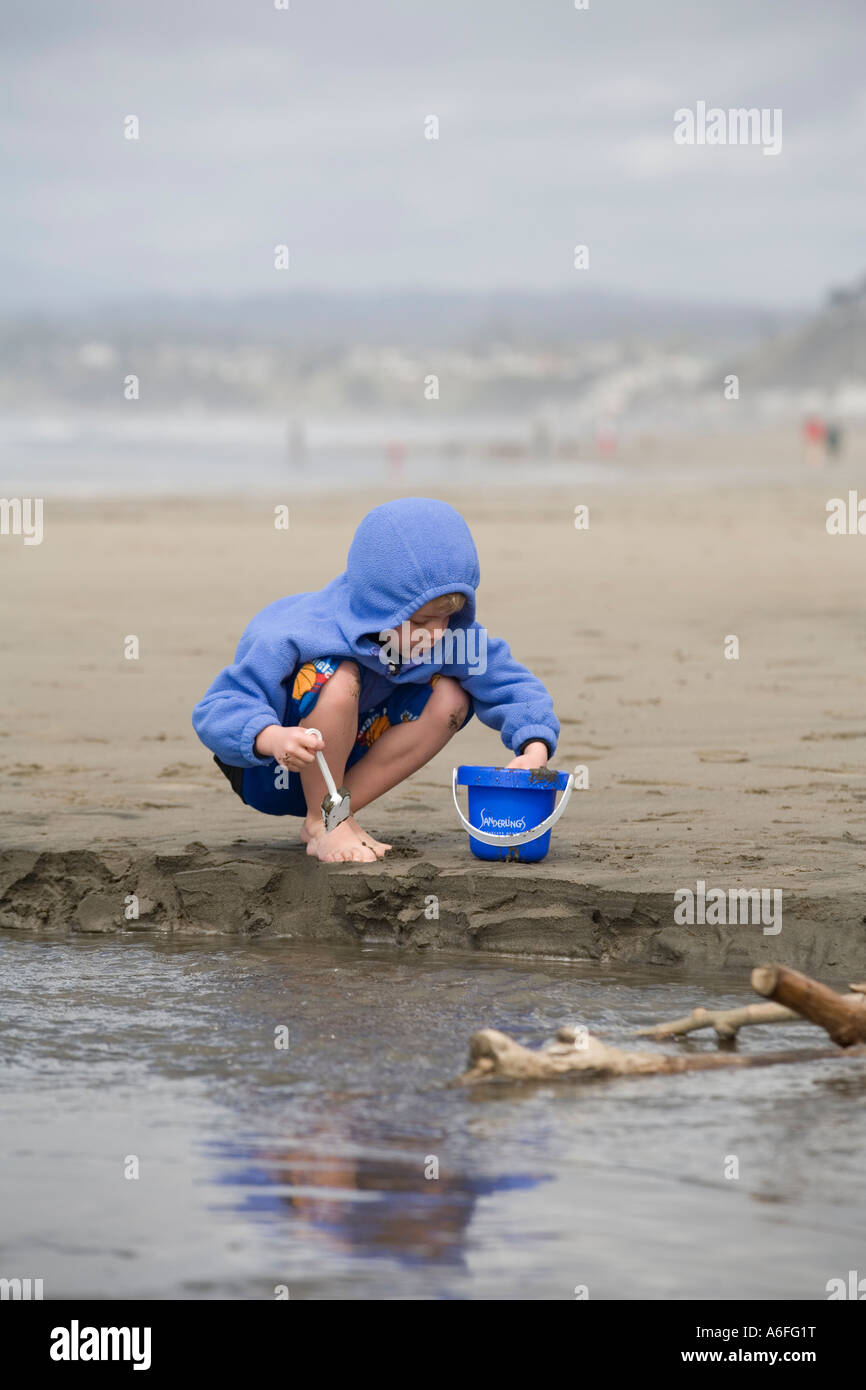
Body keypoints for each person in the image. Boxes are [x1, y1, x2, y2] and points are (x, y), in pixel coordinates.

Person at [192, 497, 560, 863]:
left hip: (350, 773)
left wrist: (534, 750)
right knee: (337, 675)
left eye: (446, 619)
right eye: (418, 623)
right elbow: (216, 710)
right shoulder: (296, 630)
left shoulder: (452, 639)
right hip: (272, 769)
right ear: (377, 606)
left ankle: (332, 816)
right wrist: (271, 738)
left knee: (452, 696)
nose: (434, 635)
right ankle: (329, 822)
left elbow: (513, 685)